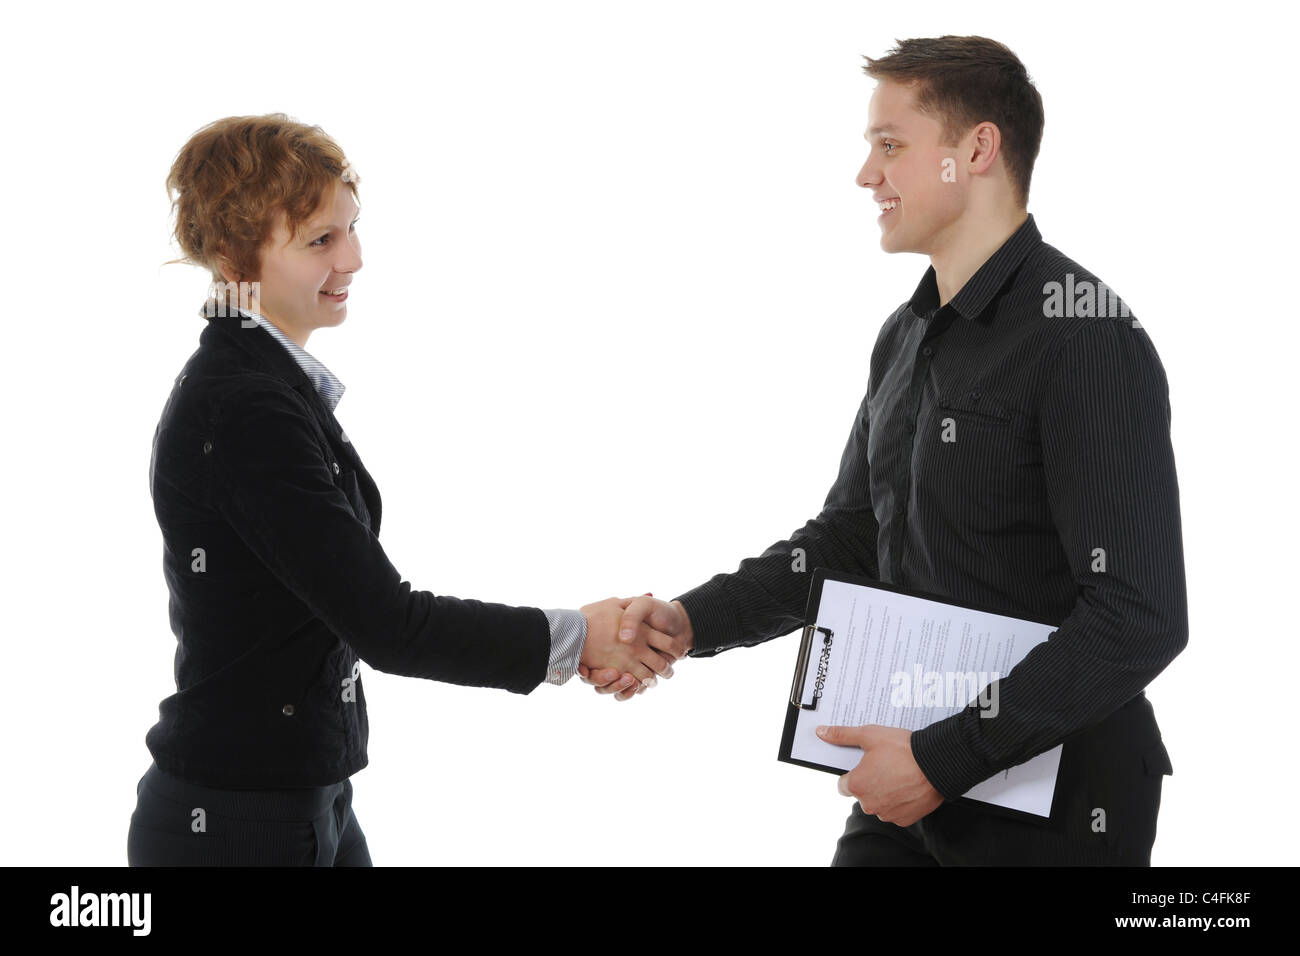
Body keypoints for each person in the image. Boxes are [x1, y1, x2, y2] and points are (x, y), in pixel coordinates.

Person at [584, 36, 1187, 866]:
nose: (867, 176)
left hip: (1057, 804)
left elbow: (1138, 616)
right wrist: (690, 621)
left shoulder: (1083, 334)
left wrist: (943, 758)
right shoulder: (905, 338)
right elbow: (850, 539)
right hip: (912, 784)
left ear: (977, 148)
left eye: (891, 146)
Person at [128, 114, 685, 866]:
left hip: (307, 797)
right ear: (235, 260)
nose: (353, 258)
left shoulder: (266, 384)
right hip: (235, 823)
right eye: (321, 241)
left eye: (351, 229)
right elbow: (386, 624)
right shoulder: (245, 406)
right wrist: (579, 636)